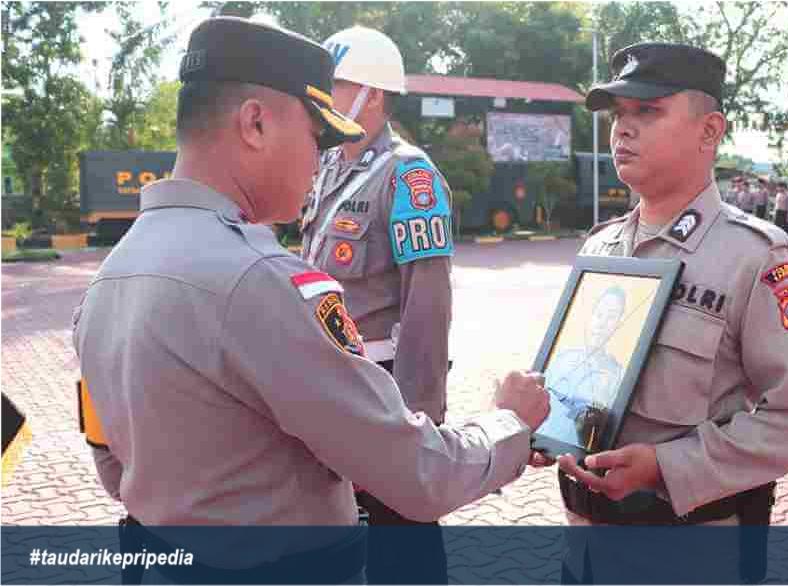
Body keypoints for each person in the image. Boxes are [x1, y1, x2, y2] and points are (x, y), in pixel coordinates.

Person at [71, 17, 549, 583]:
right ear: (255, 124)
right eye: (315, 136)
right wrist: (510, 422)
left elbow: (113, 465)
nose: (320, 157)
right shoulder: (258, 282)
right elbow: (421, 474)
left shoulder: (108, 281)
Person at [542, 42, 788, 584]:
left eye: (648, 111)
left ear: (709, 130)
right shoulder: (602, 247)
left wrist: (667, 467)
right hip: (583, 547)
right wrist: (542, 422)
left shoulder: (754, 256)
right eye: (619, 114)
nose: (623, 129)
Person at [299, 26, 457, 584]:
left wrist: (417, 421)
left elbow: (428, 307)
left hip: (383, 388)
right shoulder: (328, 165)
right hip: (329, 384)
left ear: (373, 94)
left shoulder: (409, 176)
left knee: (401, 539)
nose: (323, 96)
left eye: (336, 85)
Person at [536, 286, 627, 452]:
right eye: (599, 315)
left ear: (618, 324)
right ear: (590, 317)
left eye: (611, 317)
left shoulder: (617, 375)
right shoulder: (562, 357)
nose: (602, 324)